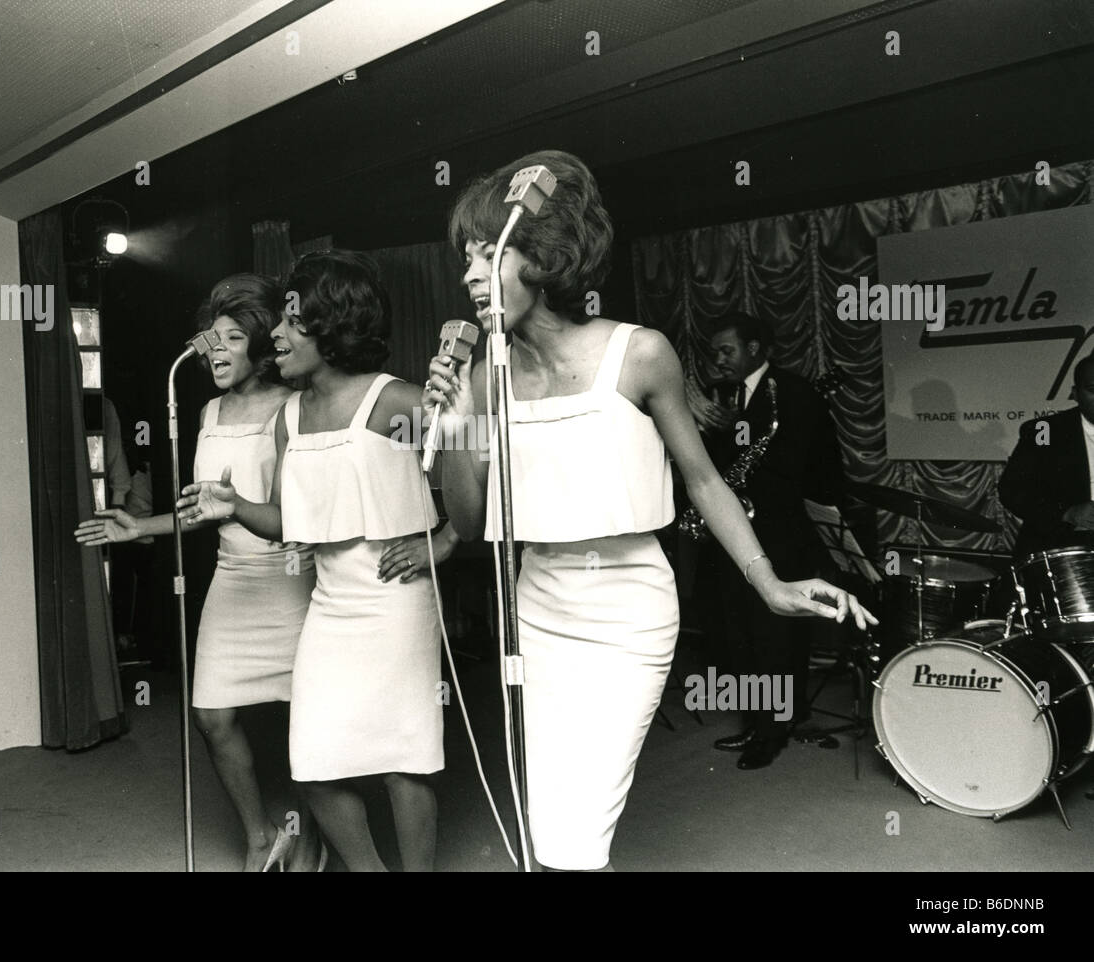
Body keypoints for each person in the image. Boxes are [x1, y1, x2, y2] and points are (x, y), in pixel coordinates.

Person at [426, 149, 873, 871]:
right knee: (546, 827)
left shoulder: (638, 355)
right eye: (467, 261)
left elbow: (703, 481)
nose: (470, 276)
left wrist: (771, 584)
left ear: (541, 256)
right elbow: (473, 525)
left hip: (627, 610)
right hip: (536, 608)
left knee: (574, 837)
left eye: (487, 256)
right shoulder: (484, 377)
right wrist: (450, 431)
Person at [177, 250, 458, 872]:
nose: (275, 334)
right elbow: (287, 522)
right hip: (328, 605)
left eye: (294, 321)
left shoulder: (395, 401)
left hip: (395, 602)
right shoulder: (291, 416)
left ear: (331, 327)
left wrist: (445, 540)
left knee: (402, 758)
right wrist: (234, 505)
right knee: (314, 761)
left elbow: (482, 470)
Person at [74, 274, 323, 872]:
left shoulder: (293, 408)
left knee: (306, 725)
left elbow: (293, 517)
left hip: (288, 580)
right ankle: (261, 835)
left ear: (261, 345)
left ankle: (310, 835)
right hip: (232, 581)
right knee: (212, 715)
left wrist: (236, 507)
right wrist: (141, 527)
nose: (216, 352)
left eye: (233, 338)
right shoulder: (208, 410)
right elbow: (199, 512)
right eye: (212, 338)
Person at [694, 312, 847, 769]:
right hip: (730, 535)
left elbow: (819, 468)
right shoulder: (716, 398)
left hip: (780, 533)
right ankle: (766, 719)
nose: (718, 360)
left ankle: (771, 731)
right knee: (737, 633)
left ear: (756, 349)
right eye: (714, 352)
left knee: (775, 636)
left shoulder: (794, 394)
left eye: (728, 351)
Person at [999, 354, 1094, 559]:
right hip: (1057, 549)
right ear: (1075, 394)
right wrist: (1068, 513)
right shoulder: (1045, 430)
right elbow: (1012, 490)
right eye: (1093, 390)